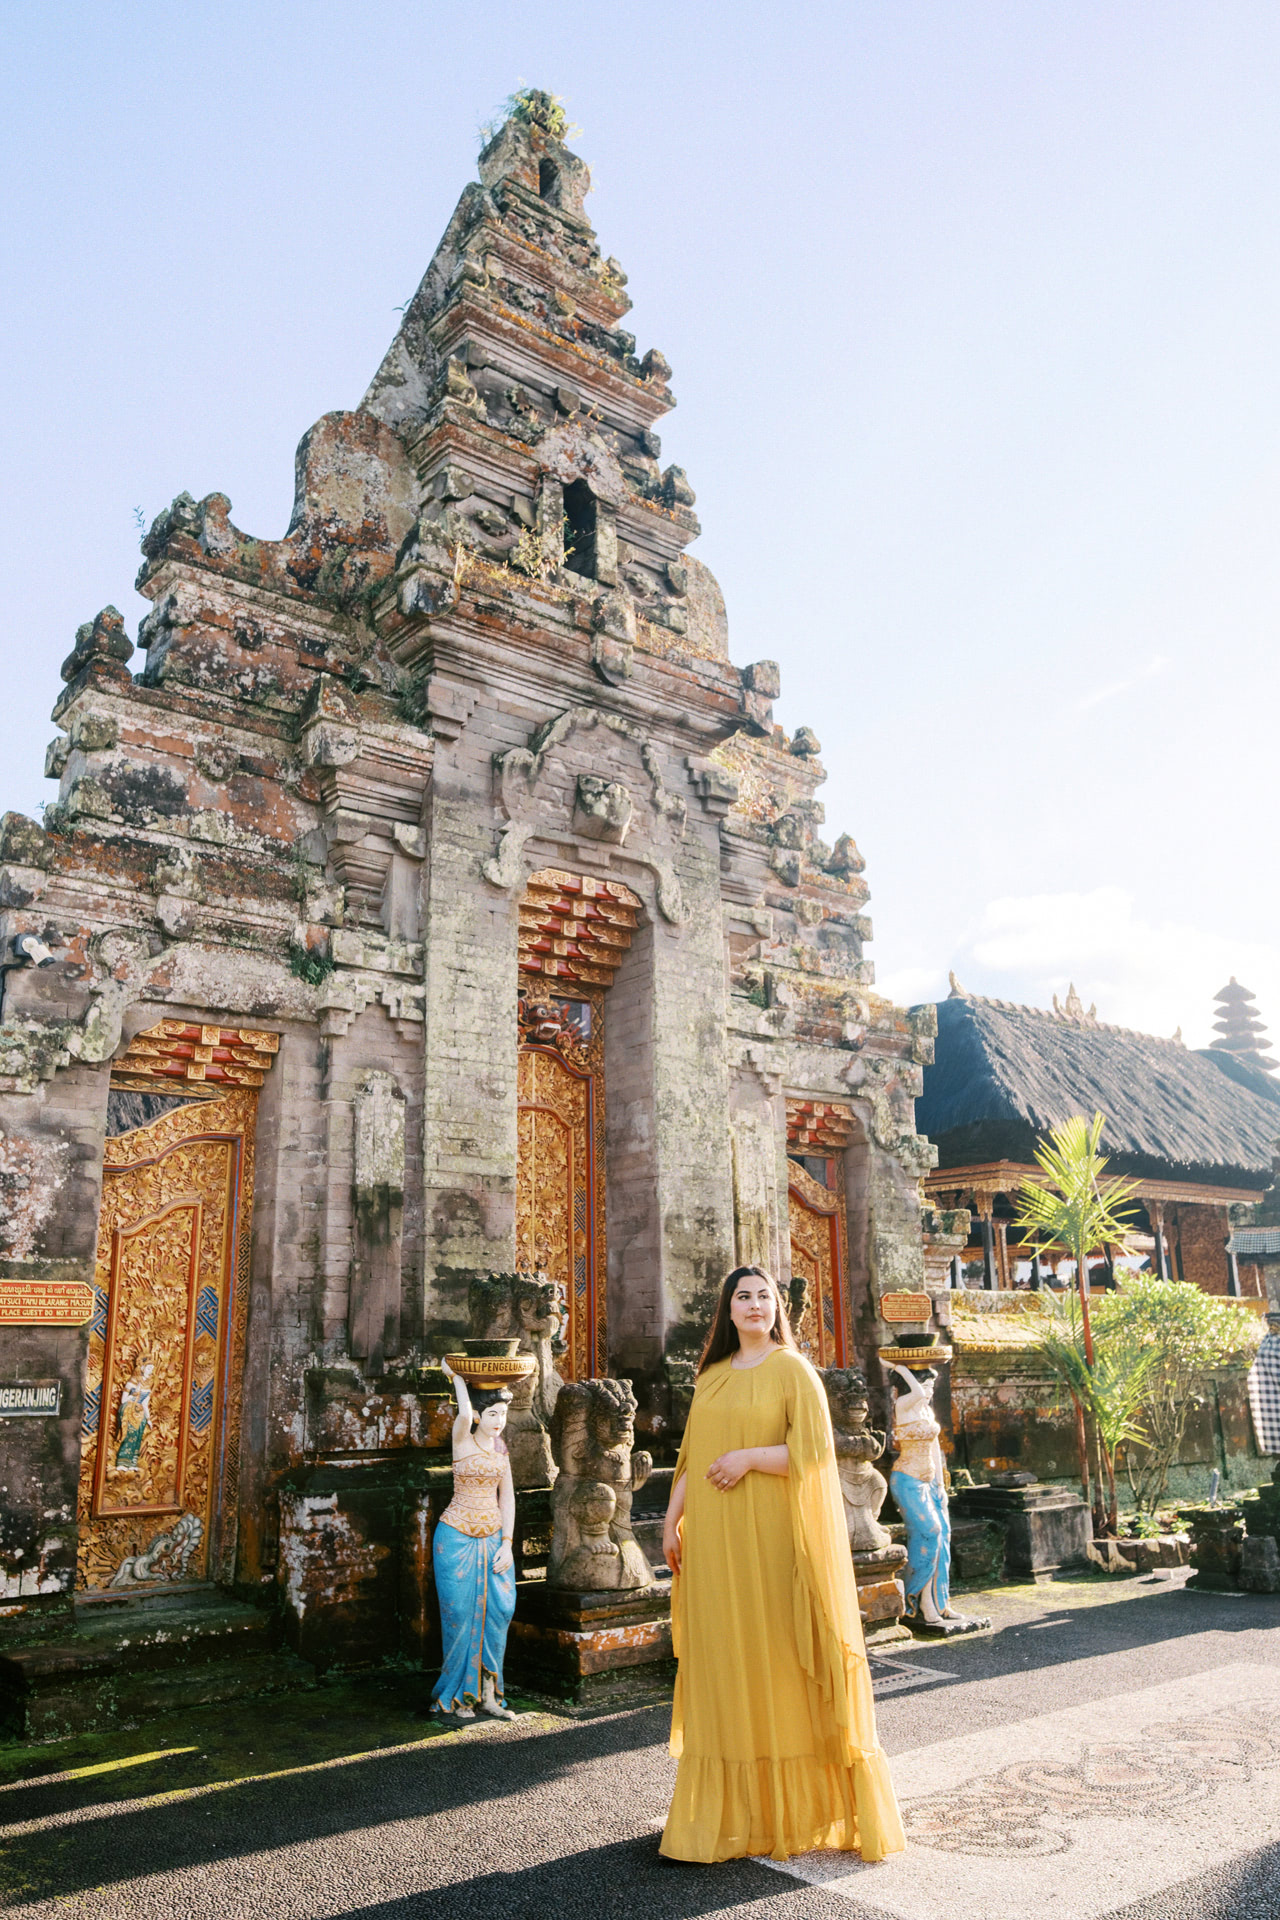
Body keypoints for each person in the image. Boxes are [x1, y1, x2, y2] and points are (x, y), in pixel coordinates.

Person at [659, 1265, 905, 1865]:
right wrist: (671, 1521)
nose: (754, 1305)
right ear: (728, 1310)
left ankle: (799, 1808)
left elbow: (816, 1454)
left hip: (770, 1539)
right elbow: (691, 1459)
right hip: (715, 1544)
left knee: (776, 1656)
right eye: (743, 1297)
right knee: (727, 1659)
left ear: (777, 1309)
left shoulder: (793, 1370)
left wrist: (747, 1457)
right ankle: (730, 1815)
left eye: (764, 1296)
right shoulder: (711, 1377)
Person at [431, 1358, 518, 1722]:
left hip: (494, 1540)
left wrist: (508, 1544)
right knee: (460, 1617)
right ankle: (458, 1698)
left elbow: (508, 1497)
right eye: (493, 1414)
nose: (498, 1421)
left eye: (502, 1414)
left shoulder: (501, 1451)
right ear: (480, 1417)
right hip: (456, 1539)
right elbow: (464, 1411)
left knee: (499, 1613)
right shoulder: (462, 1438)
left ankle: (488, 1696)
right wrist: (456, 1377)